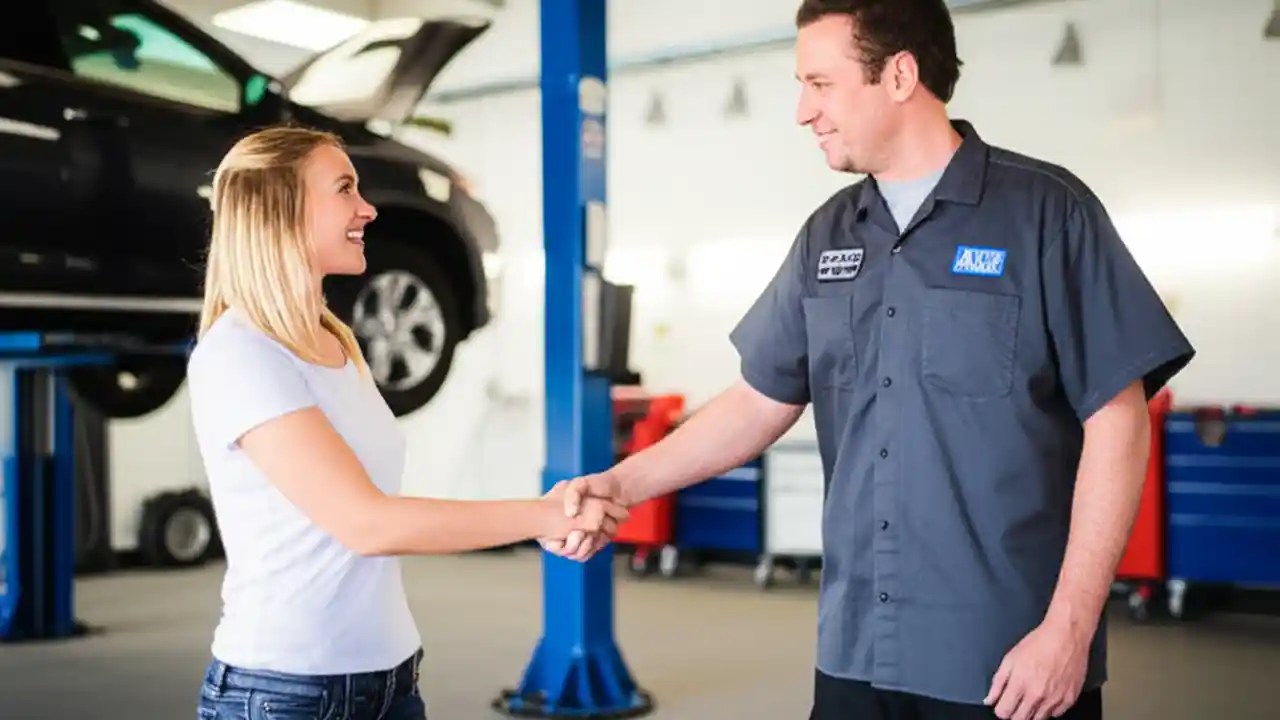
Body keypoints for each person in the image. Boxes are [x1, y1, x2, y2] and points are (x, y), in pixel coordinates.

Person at [546, 1, 1195, 719]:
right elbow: (758, 402)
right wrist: (621, 482)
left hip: (1007, 658)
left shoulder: (1047, 214)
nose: (802, 111)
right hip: (859, 650)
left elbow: (1119, 422)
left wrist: (1069, 629)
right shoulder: (827, 236)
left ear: (899, 75)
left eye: (820, 84)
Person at [186, 125, 628, 720]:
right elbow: (366, 523)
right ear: (279, 206)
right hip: (285, 692)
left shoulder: (338, 341)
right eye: (345, 189)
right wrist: (545, 514)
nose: (367, 209)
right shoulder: (241, 352)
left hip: (390, 680)